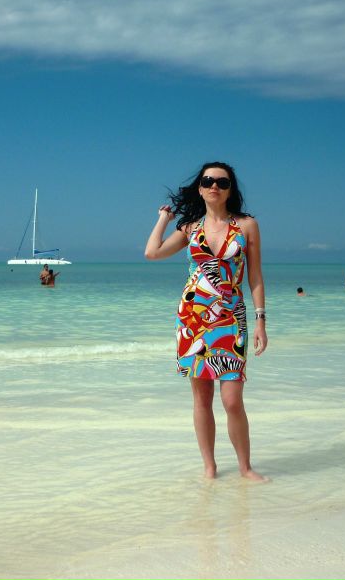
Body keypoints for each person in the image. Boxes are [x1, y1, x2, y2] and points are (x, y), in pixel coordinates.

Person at [145, 161, 268, 482]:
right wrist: (163, 219)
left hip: (231, 318)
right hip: (193, 319)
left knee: (232, 400)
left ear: (230, 190)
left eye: (222, 182)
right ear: (200, 188)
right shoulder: (189, 229)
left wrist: (260, 320)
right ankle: (210, 468)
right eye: (209, 181)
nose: (215, 186)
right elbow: (152, 253)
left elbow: (255, 276)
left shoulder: (247, 226)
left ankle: (245, 468)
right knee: (201, 398)